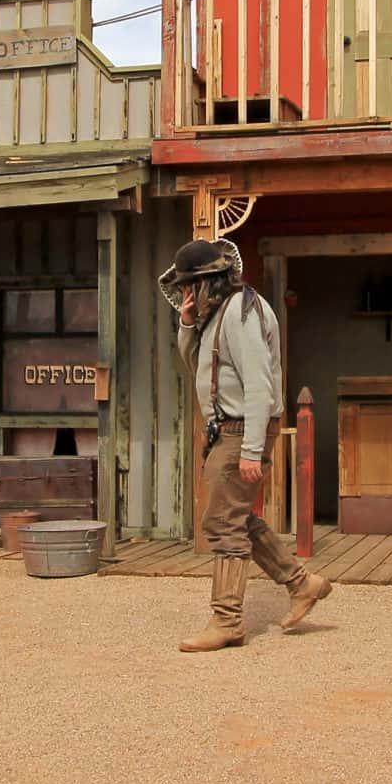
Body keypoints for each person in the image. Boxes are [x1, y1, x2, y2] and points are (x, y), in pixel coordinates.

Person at [162, 237, 332, 652]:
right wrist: (187, 325)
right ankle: (301, 583)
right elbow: (197, 368)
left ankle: (228, 621)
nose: (185, 293)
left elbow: (260, 384)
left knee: (221, 523)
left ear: (206, 283)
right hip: (230, 429)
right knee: (232, 516)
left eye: (189, 286)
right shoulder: (220, 314)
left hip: (241, 430)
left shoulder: (241, 312)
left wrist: (253, 449)